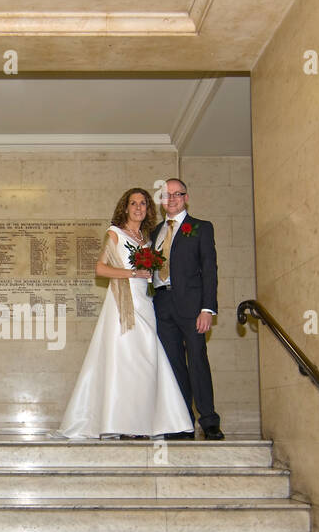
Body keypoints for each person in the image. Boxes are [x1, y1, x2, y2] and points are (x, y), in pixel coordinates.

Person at [58, 188, 194, 439]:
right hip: (123, 303)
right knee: (125, 362)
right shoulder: (115, 233)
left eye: (143, 203)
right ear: (125, 207)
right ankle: (122, 424)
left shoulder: (148, 240)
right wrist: (132, 273)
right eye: (133, 203)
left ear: (148, 209)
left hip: (146, 304)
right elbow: (100, 268)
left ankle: (144, 423)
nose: (138, 207)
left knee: (146, 363)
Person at [151, 177, 224, 440]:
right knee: (173, 366)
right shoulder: (155, 232)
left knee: (197, 359)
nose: (172, 199)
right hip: (162, 304)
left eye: (177, 194)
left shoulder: (201, 228)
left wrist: (207, 309)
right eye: (166, 195)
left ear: (186, 198)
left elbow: (209, 270)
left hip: (193, 306)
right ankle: (183, 423)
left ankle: (209, 420)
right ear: (161, 200)